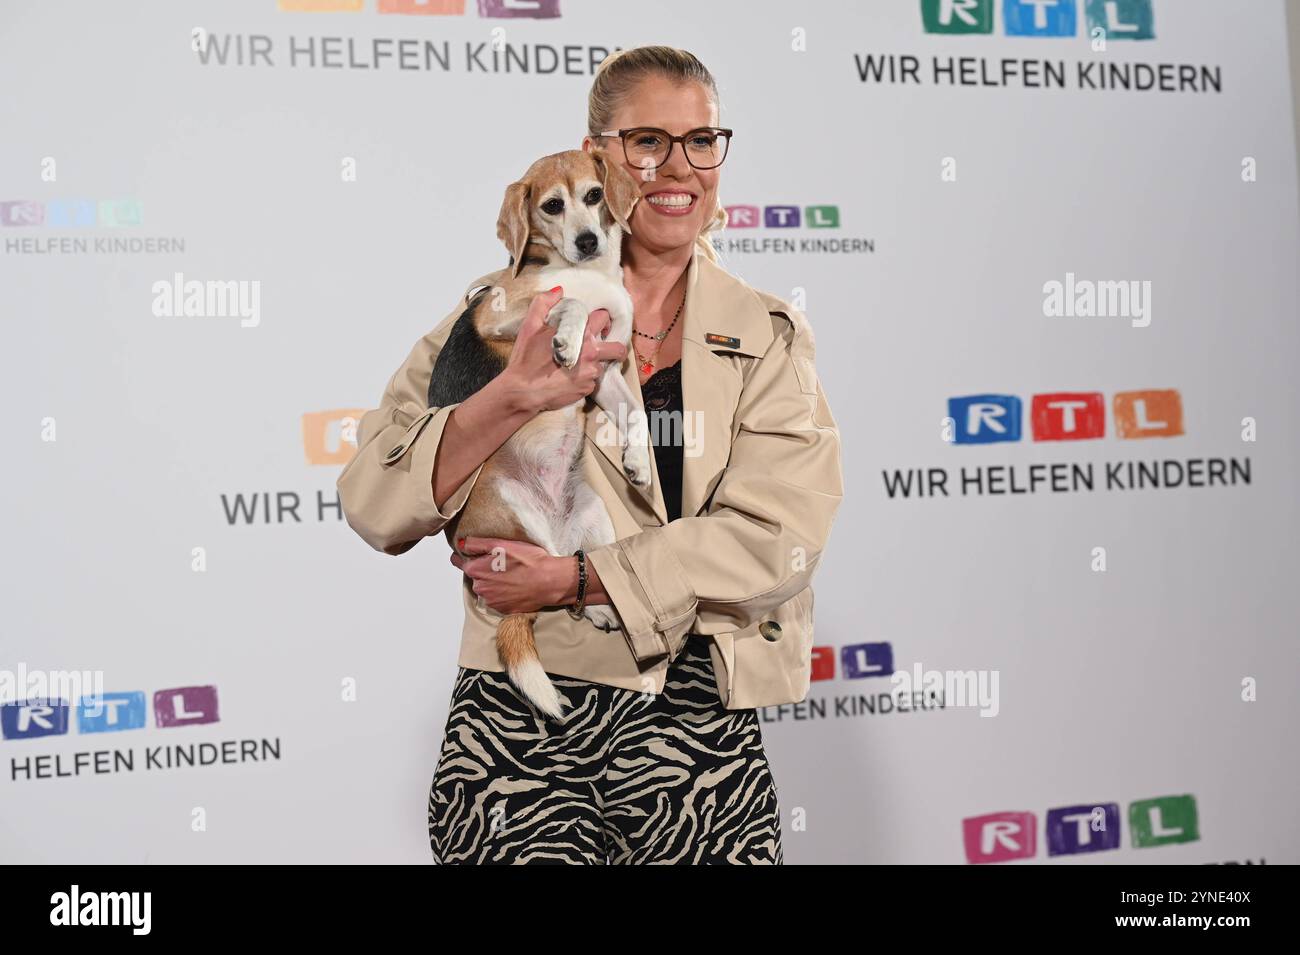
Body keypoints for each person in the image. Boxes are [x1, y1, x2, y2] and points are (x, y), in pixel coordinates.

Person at [337, 45, 843, 864]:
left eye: (701, 141)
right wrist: (513, 397)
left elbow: (777, 539)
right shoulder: (499, 316)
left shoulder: (768, 337)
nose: (676, 168)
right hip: (522, 732)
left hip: (698, 736)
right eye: (647, 141)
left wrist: (580, 577)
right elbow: (372, 498)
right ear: (598, 154)